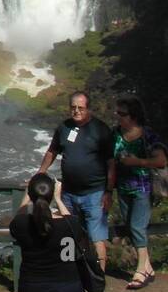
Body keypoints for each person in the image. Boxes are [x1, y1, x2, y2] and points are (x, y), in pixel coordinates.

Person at [37, 90, 114, 272]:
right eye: (73, 107)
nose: (76, 111)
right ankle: (75, 273)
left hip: (94, 193)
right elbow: (52, 151)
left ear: (89, 109)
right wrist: (40, 172)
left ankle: (99, 276)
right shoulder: (64, 128)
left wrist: (109, 191)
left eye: (81, 108)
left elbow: (111, 163)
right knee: (71, 235)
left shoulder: (101, 130)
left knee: (97, 237)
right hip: (69, 194)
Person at [8, 173, 87, 292]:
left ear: (31, 194)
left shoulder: (21, 225)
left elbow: (18, 217)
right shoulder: (70, 225)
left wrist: (27, 197)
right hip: (68, 291)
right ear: (53, 194)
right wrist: (59, 200)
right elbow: (73, 223)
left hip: (33, 291)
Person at [113, 95, 167, 290]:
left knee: (137, 226)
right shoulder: (116, 134)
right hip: (123, 187)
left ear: (133, 116)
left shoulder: (147, 135)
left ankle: (140, 271)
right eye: (117, 113)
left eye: (122, 113)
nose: (118, 116)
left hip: (143, 187)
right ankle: (148, 267)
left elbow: (161, 161)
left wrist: (138, 162)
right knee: (130, 225)